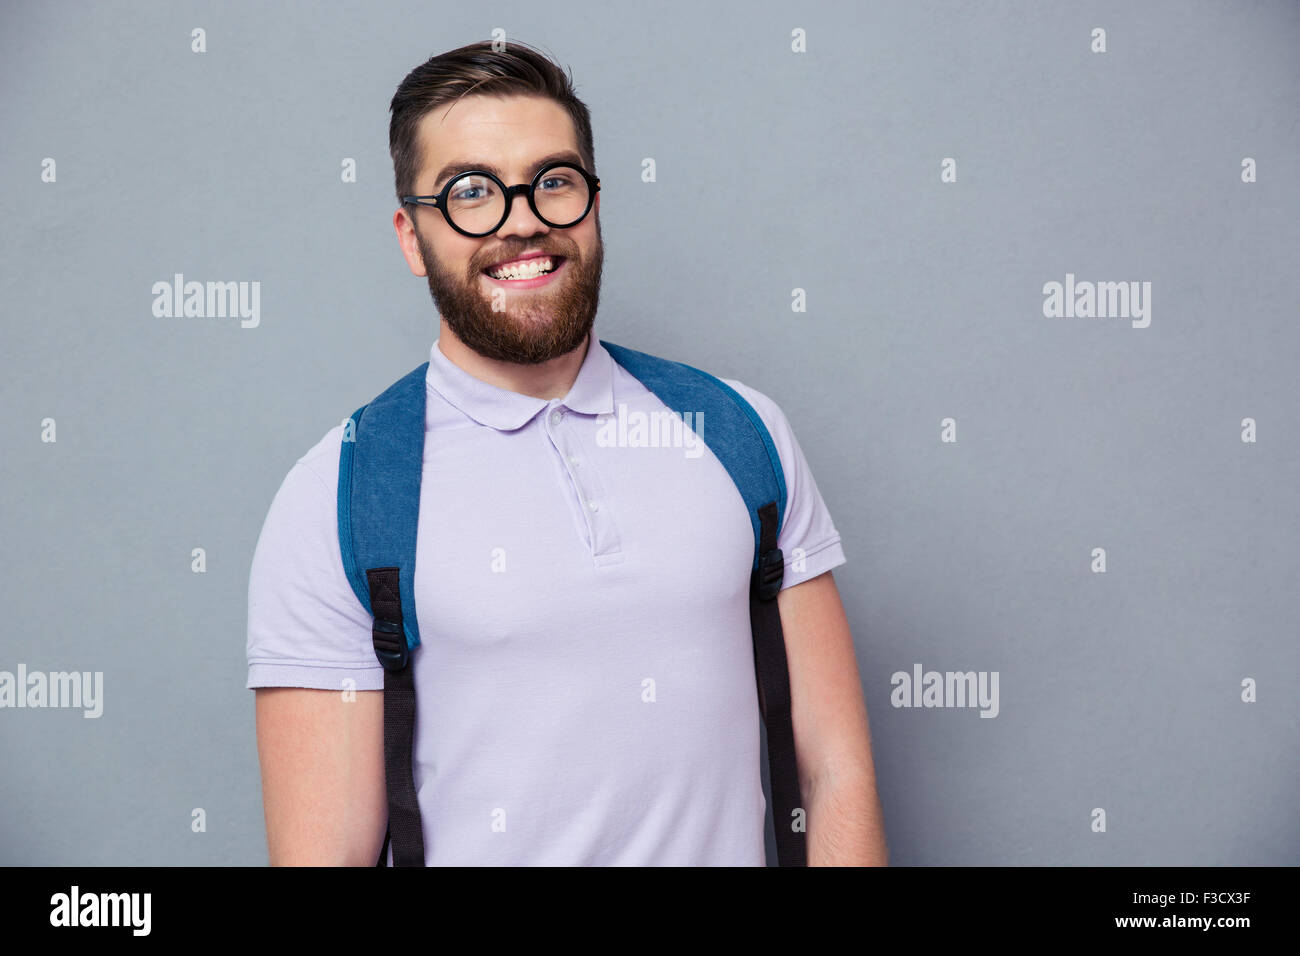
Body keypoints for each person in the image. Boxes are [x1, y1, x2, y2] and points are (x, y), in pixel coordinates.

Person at [246, 39, 887, 866]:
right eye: (470, 191)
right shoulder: (339, 493)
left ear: (592, 202)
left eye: (554, 180)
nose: (524, 220)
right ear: (412, 237)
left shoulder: (740, 431)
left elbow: (836, 772)